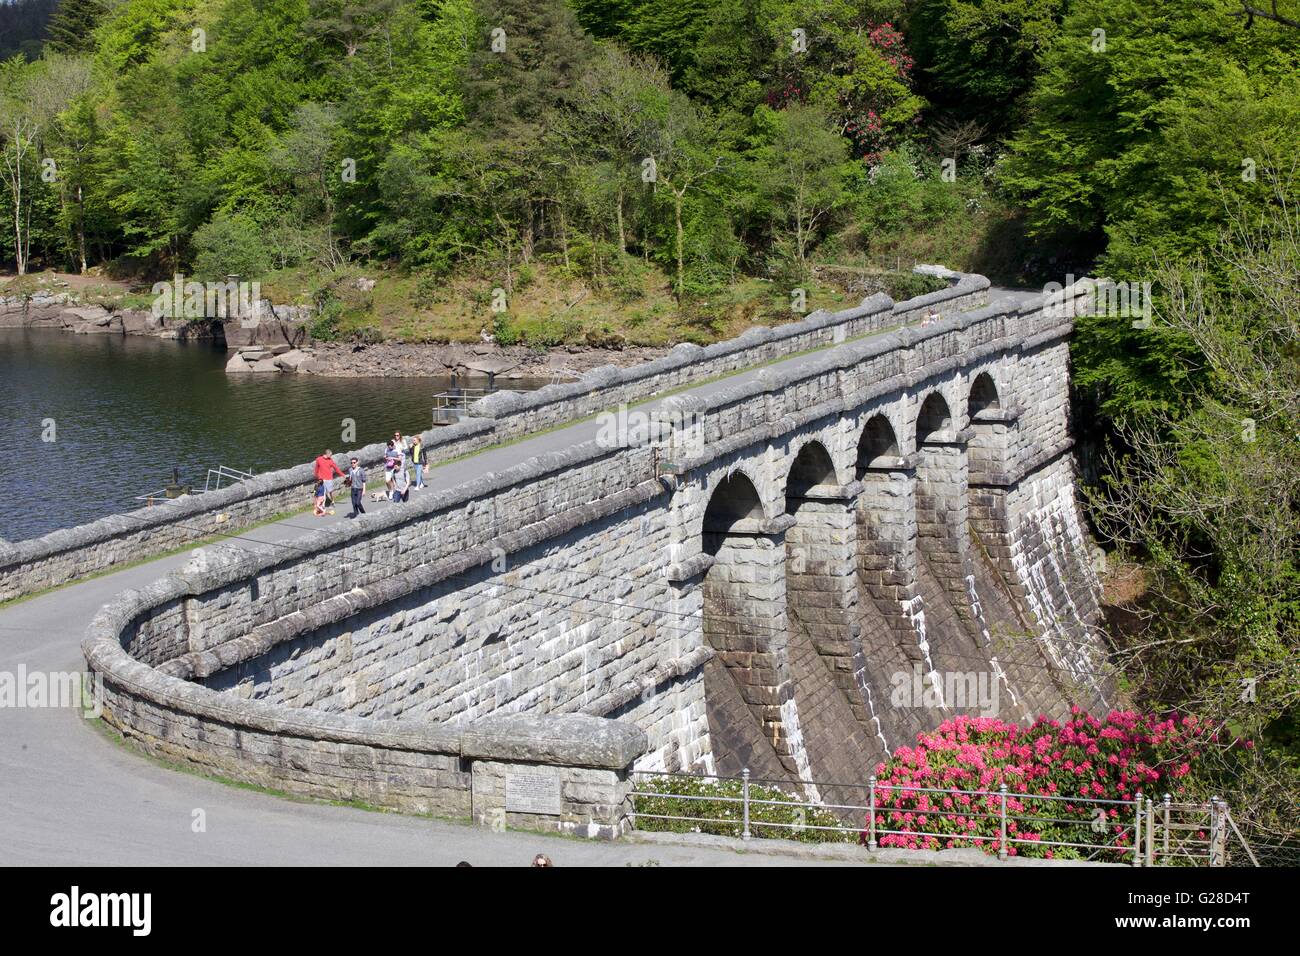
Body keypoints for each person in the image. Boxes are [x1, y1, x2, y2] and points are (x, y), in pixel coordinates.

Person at [313, 449, 344, 516]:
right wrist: (316, 476)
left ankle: (332, 501)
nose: (331, 456)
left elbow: (336, 468)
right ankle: (322, 505)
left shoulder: (330, 460)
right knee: (323, 493)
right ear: (327, 454)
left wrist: (343, 475)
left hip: (329, 478)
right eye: (330, 455)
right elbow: (316, 468)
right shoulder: (319, 459)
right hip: (321, 479)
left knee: (330, 491)